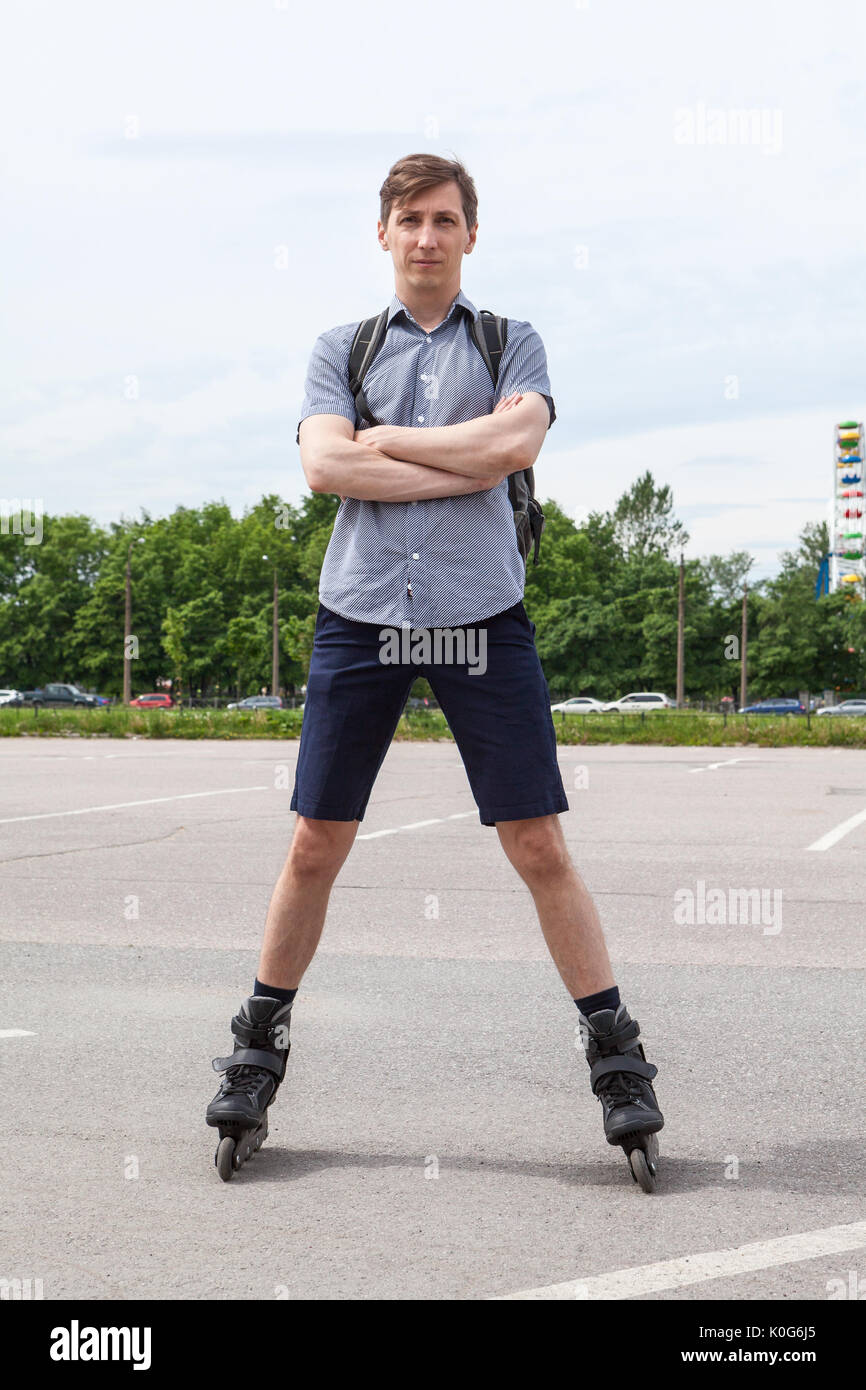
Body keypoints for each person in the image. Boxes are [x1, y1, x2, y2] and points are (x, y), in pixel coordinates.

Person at [207, 153, 663, 1185]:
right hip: (360, 616)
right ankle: (255, 1047)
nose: (425, 235)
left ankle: (617, 1059)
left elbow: (515, 443)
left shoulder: (511, 340)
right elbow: (327, 466)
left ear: (468, 234)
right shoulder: (340, 347)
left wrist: (398, 443)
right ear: (383, 234)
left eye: (443, 219)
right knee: (316, 840)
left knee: (536, 839)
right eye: (407, 218)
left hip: (479, 615)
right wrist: (461, 454)